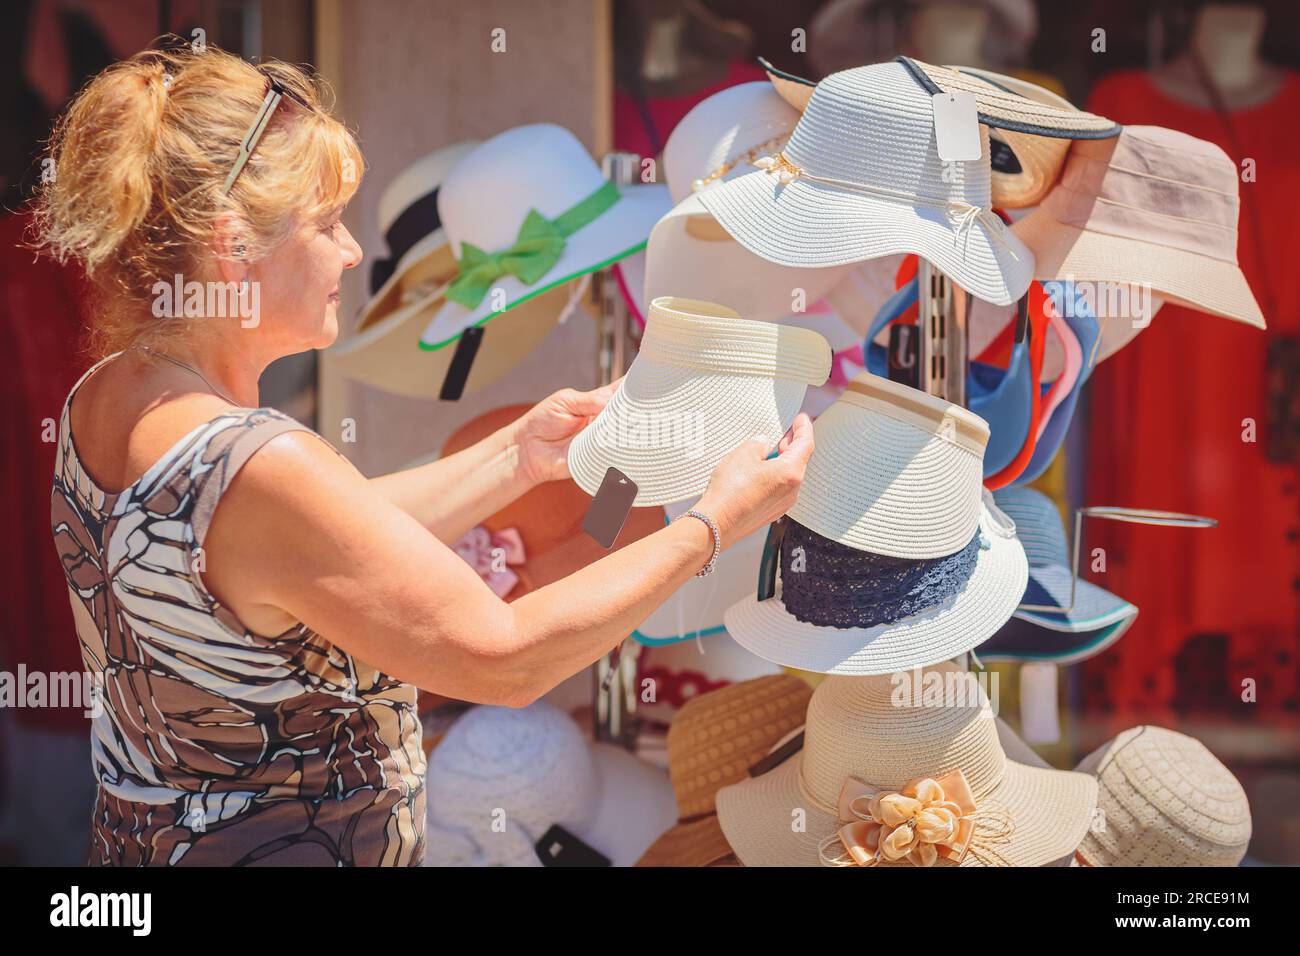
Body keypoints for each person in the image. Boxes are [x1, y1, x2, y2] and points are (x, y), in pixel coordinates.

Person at [33, 43, 812, 866]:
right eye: (325, 224)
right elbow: (506, 662)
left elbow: (315, 544)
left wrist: (516, 455)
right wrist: (716, 525)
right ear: (235, 247)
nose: (347, 252)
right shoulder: (262, 463)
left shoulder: (107, 397)